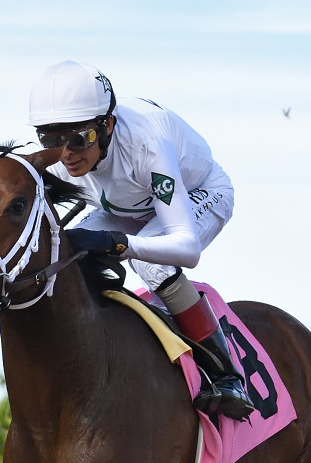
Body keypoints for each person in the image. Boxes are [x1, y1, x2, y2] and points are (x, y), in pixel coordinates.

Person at [27, 59, 254, 420]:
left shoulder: (145, 143)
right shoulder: (58, 156)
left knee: (150, 264)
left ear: (107, 125)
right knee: (66, 251)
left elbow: (187, 248)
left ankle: (226, 374)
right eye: (51, 140)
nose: (66, 153)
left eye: (79, 138)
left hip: (198, 193)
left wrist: (120, 243)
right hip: (128, 208)